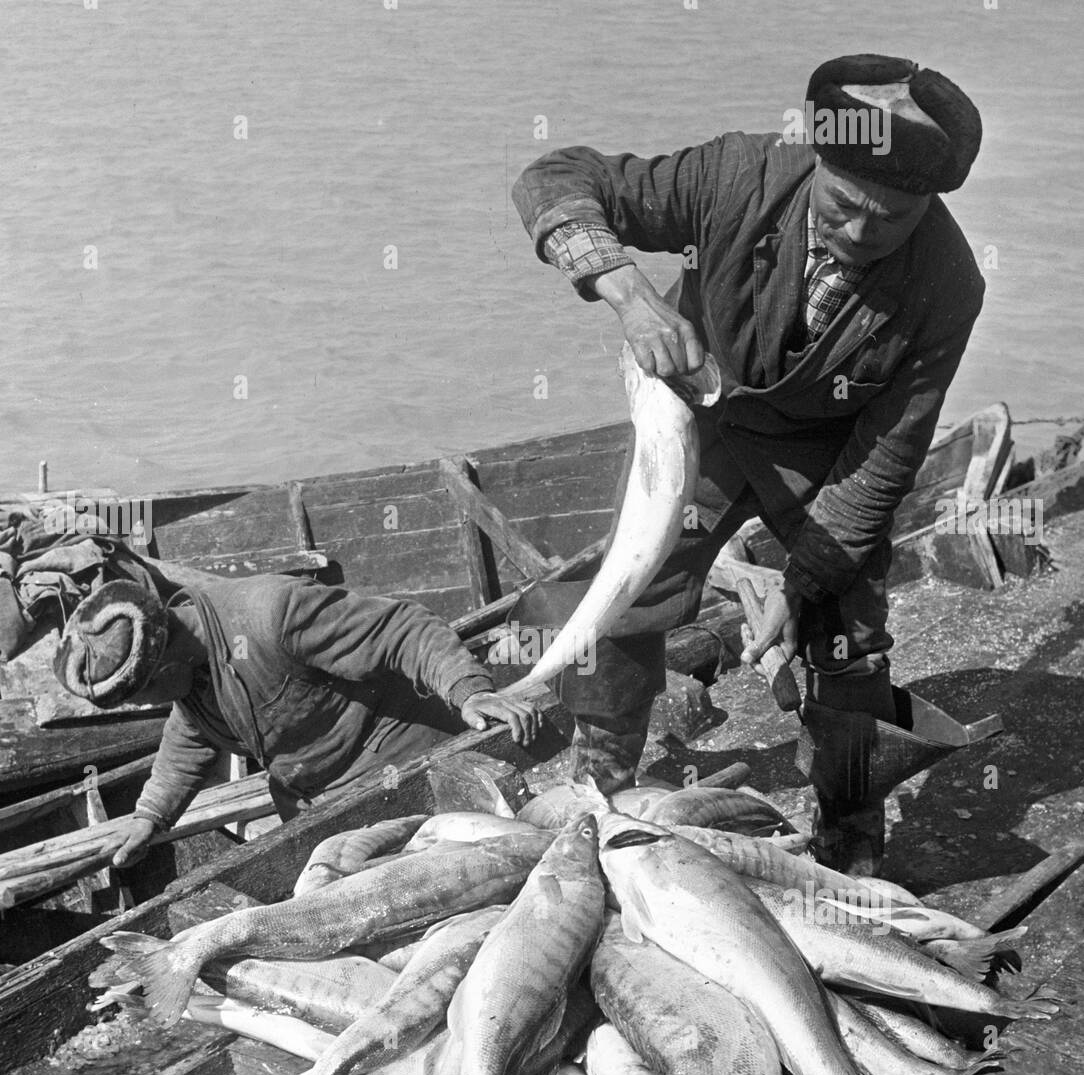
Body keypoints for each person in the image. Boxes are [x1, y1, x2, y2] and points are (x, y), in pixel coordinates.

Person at [510, 53, 986, 873]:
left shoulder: (948, 285)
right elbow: (556, 177)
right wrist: (628, 292)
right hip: (707, 418)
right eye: (844, 206)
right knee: (627, 597)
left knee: (851, 639)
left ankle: (849, 829)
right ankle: (603, 776)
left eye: (894, 219)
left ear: (931, 204)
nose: (862, 235)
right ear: (820, 164)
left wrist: (803, 588)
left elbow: (886, 457)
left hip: (828, 458)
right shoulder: (736, 176)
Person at [54, 573, 541, 865]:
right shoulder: (188, 664)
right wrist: (150, 817)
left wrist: (468, 691)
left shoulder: (272, 615)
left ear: (167, 663)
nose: (147, 707)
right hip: (313, 803)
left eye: (145, 695)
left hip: (401, 765)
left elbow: (402, 630)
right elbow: (189, 733)